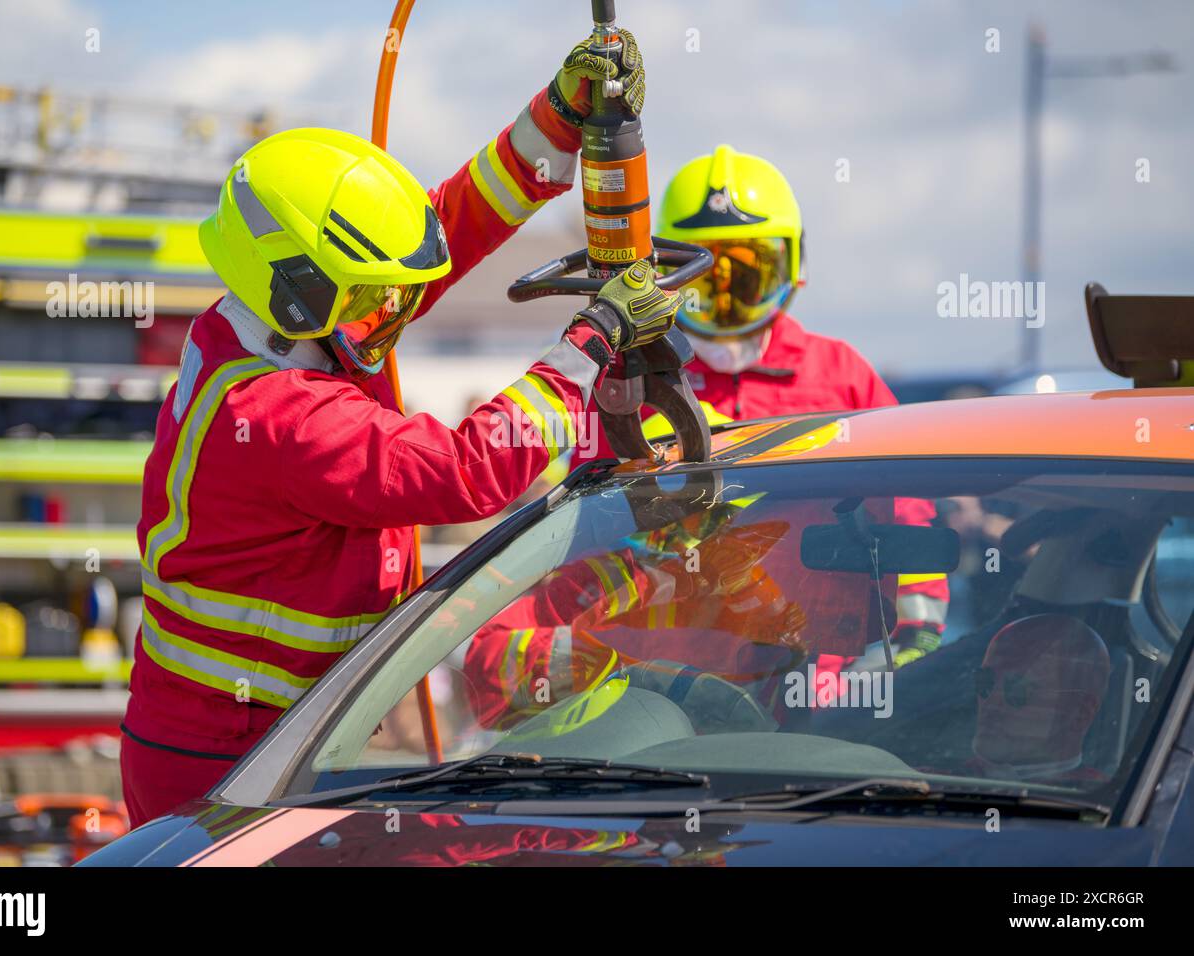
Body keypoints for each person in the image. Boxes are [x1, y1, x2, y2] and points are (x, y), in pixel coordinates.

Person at [119, 32, 685, 827]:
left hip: (259, 735)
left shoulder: (276, 322)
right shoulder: (277, 416)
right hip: (222, 760)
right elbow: (467, 471)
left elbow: (446, 226)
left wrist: (556, 121)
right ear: (300, 293)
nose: (396, 312)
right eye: (375, 299)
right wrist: (588, 345)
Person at [593, 145, 949, 671]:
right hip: (669, 669)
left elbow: (905, 508)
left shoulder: (841, 376)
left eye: (746, 276)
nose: (726, 301)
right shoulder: (630, 382)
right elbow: (586, 521)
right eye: (702, 282)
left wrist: (913, 632)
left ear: (792, 265)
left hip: (818, 667)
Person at [967, 614, 1112, 784]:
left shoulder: (1116, 802)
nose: (990, 702)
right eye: (985, 682)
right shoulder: (934, 785)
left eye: (1016, 689)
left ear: (1080, 714)